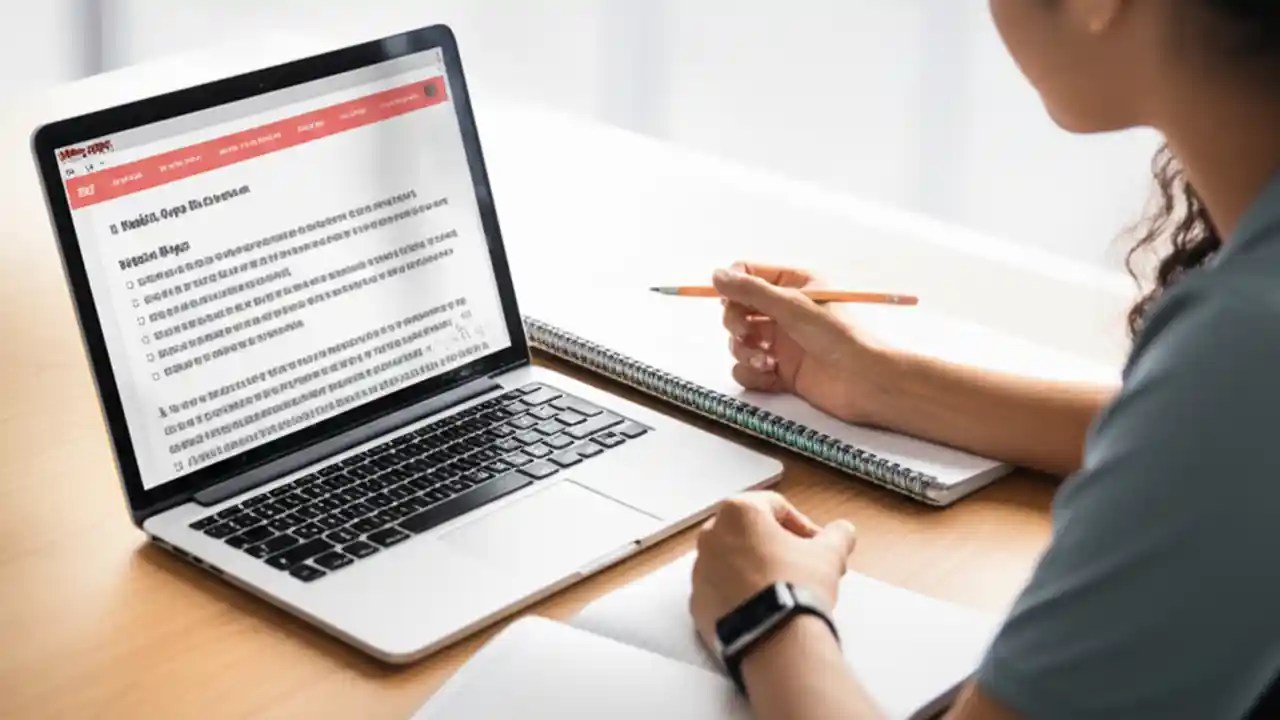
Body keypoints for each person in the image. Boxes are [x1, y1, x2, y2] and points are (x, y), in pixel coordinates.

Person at [688, 1, 1280, 717]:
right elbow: (1209, 445)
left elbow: (1224, 421)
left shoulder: (1244, 352)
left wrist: (768, 612)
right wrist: (884, 384)